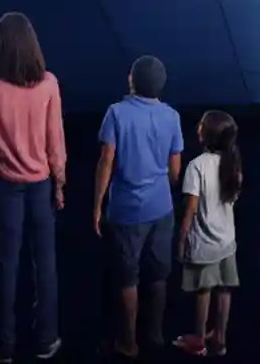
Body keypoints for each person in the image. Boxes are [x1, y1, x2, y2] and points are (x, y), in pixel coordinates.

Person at [0, 12, 66, 363]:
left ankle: (3, 345)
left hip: (4, 185)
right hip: (40, 182)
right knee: (46, 263)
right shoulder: (49, 83)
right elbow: (55, 139)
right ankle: (46, 340)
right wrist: (60, 181)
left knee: (6, 264)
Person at [92, 55, 184, 359]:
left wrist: (97, 205)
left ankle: (127, 342)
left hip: (126, 210)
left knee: (126, 276)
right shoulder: (172, 116)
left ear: (132, 79)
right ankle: (154, 334)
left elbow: (107, 160)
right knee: (157, 274)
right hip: (161, 208)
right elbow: (174, 171)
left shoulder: (116, 113)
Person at [173, 110, 243, 357]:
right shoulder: (232, 163)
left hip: (204, 244)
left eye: (201, 124)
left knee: (204, 291)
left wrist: (181, 239)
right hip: (227, 241)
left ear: (207, 135)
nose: (198, 127)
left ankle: (199, 340)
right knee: (224, 290)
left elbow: (190, 209)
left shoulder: (196, 166)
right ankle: (221, 339)